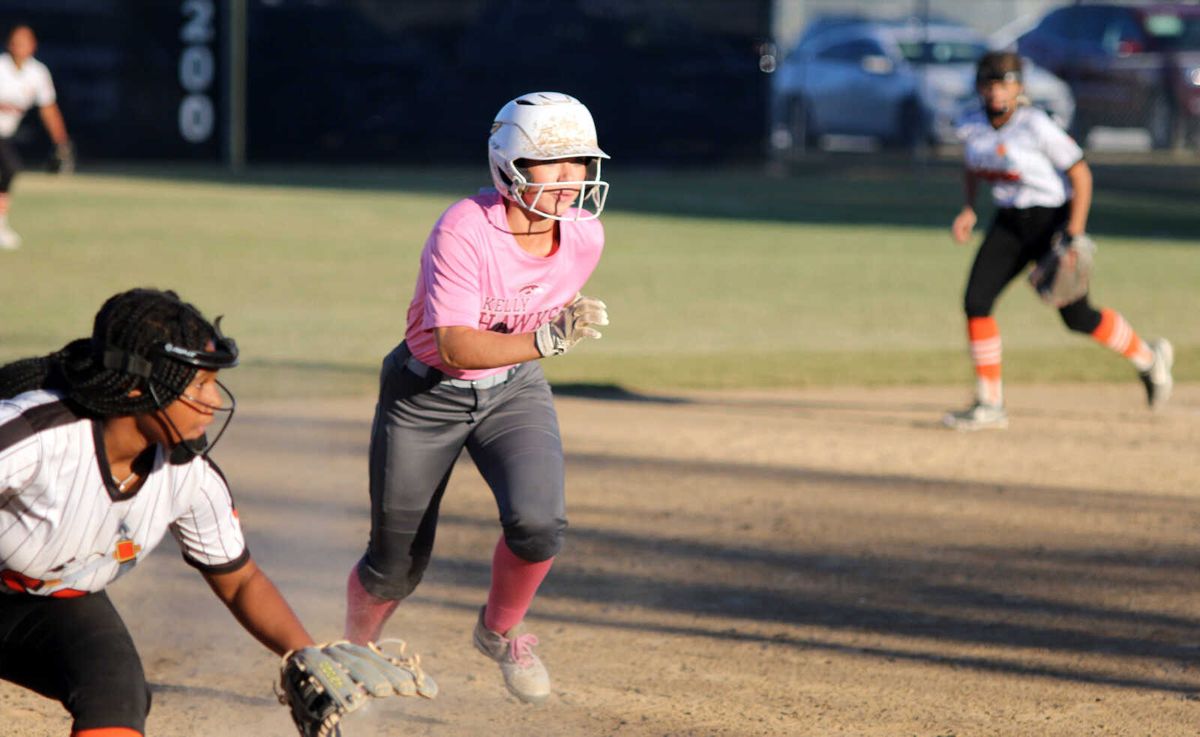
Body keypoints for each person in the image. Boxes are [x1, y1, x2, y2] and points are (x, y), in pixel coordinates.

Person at [343, 91, 611, 704]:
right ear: (509, 166)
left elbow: (536, 305)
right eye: (554, 162)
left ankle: (499, 631)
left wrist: (545, 331)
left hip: (513, 391)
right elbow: (457, 348)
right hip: (426, 396)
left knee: (540, 526)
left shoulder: (585, 236)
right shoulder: (464, 228)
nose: (572, 180)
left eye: (581, 162)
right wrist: (545, 337)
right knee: (394, 565)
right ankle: (354, 661)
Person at [0, 288, 319, 736]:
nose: (213, 400)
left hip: (50, 605)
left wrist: (305, 657)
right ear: (136, 386)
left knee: (117, 695)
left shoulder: (187, 475)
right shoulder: (35, 436)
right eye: (198, 385)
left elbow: (239, 579)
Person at [943, 51, 1173, 431]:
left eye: (1007, 83)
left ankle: (1149, 358)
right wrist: (968, 208)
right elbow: (973, 166)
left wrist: (1075, 234)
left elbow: (1081, 175)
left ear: (1020, 87)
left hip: (1050, 223)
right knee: (976, 301)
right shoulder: (971, 124)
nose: (998, 92)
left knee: (1077, 317)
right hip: (1008, 223)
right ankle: (990, 402)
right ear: (980, 88)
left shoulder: (1035, 126)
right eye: (991, 84)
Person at [0, 24, 73, 251]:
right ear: (8, 44)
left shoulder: (37, 73)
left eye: (25, 42)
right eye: (15, 41)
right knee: (10, 167)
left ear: (33, 46)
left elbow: (48, 109)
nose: (19, 47)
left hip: (5, 134)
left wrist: (61, 141)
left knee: (7, 172)